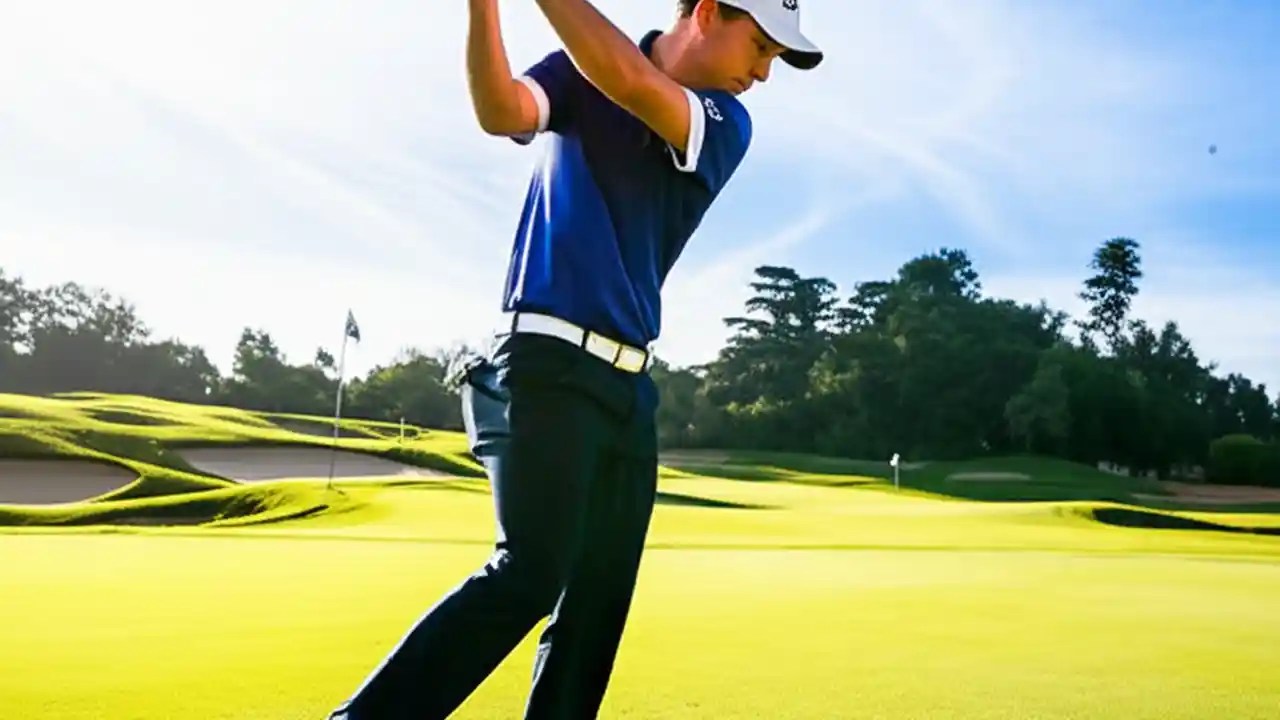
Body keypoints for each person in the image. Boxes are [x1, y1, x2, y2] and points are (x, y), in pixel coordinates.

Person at [325, 1, 821, 718]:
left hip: (630, 391)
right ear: (709, 12)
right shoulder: (577, 69)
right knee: (529, 574)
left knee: (594, 614)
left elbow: (630, 83)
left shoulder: (722, 121)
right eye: (761, 46)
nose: (765, 72)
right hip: (547, 363)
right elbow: (502, 111)